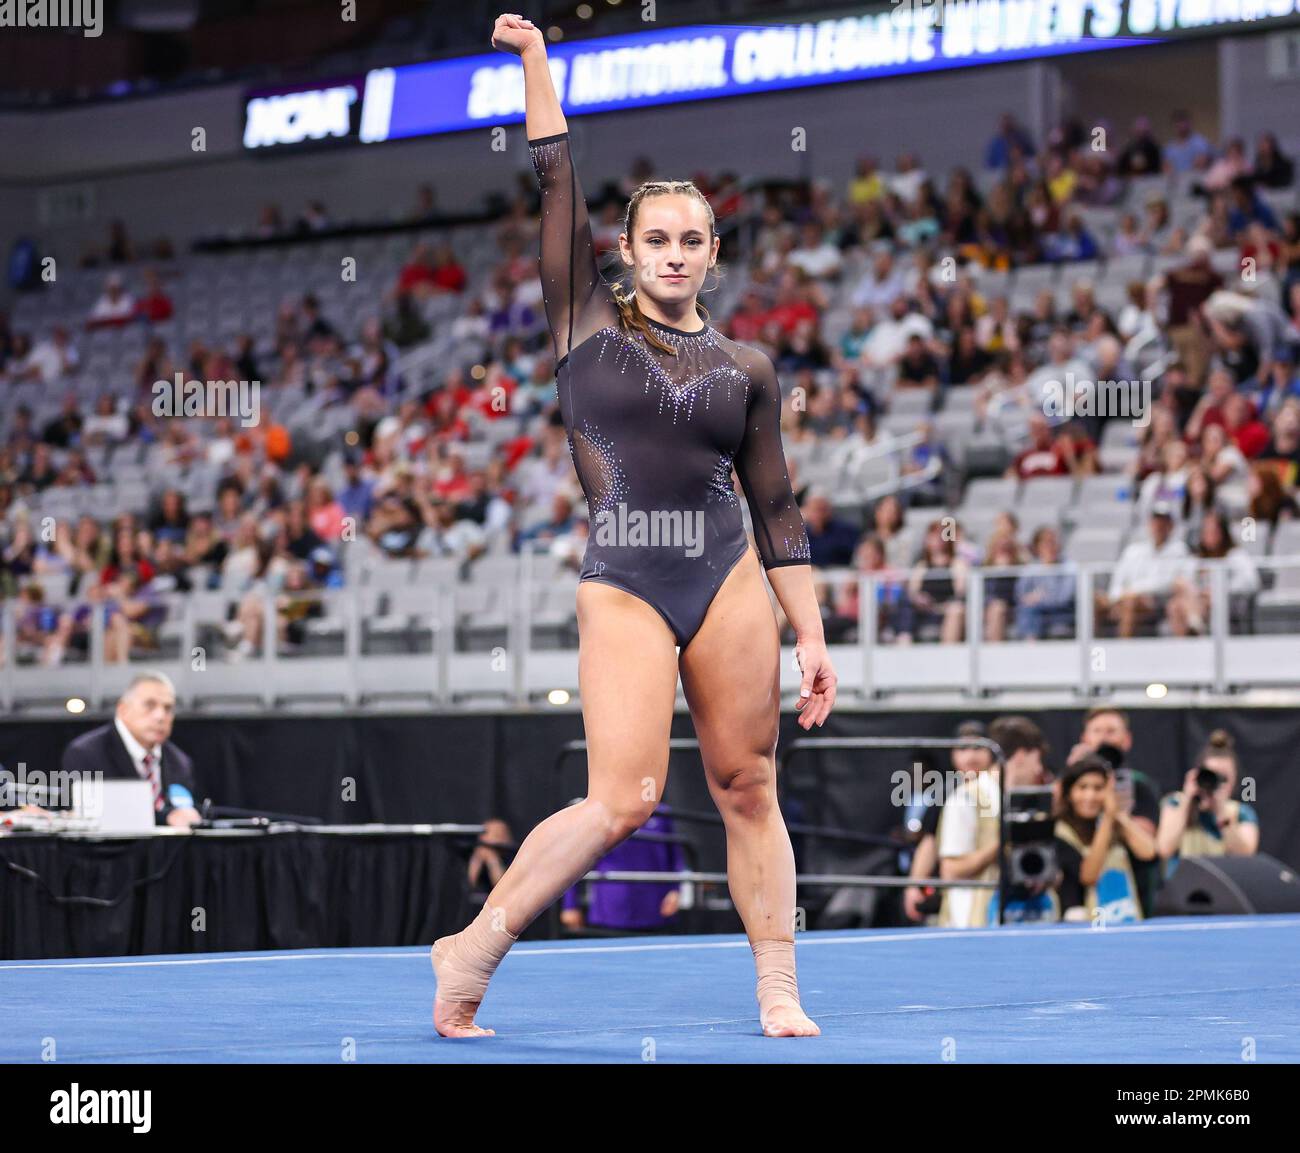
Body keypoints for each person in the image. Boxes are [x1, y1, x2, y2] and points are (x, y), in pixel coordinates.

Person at [428, 13, 836, 1041]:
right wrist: (535, 65)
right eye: (655, 237)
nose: (673, 253)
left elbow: (777, 506)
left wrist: (813, 634)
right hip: (626, 576)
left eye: (691, 240)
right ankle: (475, 946)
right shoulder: (585, 325)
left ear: (711, 253)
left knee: (749, 784)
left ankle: (778, 987)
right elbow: (555, 177)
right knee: (625, 797)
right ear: (626, 249)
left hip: (729, 574)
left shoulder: (747, 368)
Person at [61, 671, 202, 828]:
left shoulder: (180, 763)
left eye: (168, 708)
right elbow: (91, 820)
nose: (161, 716)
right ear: (123, 709)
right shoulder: (86, 754)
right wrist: (165, 818)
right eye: (150, 705)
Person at [1052, 754, 1157, 924]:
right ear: (1069, 793)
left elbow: (1150, 853)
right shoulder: (1060, 832)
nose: (1090, 796)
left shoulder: (1116, 823)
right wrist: (1108, 819)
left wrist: (1117, 814)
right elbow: (1088, 875)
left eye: (1098, 788)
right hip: (1083, 925)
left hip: (1126, 920)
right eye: (1083, 787)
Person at [1157, 730, 1260, 875]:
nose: (1216, 783)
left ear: (1234, 780)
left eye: (1223, 778)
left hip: (1224, 889)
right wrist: (1187, 799)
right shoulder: (1176, 803)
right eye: (1211, 776)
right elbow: (1164, 848)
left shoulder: (1240, 813)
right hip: (1181, 889)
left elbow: (1245, 856)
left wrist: (1221, 812)